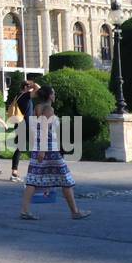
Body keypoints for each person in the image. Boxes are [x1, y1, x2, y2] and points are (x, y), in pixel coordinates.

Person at [20, 85, 90, 221]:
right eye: (53, 93)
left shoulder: (38, 107)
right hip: (49, 149)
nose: (55, 95)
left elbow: (37, 129)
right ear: (50, 96)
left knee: (33, 179)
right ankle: (75, 212)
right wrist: (43, 150)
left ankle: (25, 211)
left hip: (39, 147)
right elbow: (45, 129)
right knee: (66, 179)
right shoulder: (48, 109)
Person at [9, 78, 40, 183]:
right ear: (25, 87)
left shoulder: (18, 96)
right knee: (36, 147)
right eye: (28, 86)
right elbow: (39, 90)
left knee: (21, 148)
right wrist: (33, 85)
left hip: (21, 124)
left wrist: (30, 86)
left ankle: (14, 172)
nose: (31, 88)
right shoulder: (26, 95)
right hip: (25, 125)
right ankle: (37, 171)